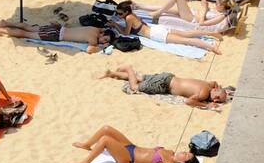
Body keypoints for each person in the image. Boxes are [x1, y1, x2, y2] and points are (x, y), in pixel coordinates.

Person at [70, 125, 200, 163]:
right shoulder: (171, 152)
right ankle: (87, 144)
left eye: (186, 155)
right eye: (187, 152)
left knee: (105, 140)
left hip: (129, 159)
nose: (184, 151)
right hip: (132, 147)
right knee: (106, 129)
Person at [110, 1, 221, 52]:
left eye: (120, 13)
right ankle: (210, 33)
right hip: (157, 29)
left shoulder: (129, 18)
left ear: (126, 12)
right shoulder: (132, 15)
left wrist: (115, 24)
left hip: (155, 34)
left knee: (186, 40)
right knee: (185, 34)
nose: (118, 15)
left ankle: (211, 47)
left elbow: (126, 33)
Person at [99, 65, 232, 105]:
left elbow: (215, 82)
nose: (215, 100)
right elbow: (189, 102)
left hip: (169, 76)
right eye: (217, 97)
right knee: (135, 87)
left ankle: (111, 74)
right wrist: (206, 105)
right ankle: (128, 69)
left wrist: (219, 88)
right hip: (164, 84)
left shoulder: (209, 85)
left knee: (139, 78)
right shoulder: (203, 94)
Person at [0, 18, 114, 53]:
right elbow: (89, 49)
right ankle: (2, 31)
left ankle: (6, 23)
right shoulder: (93, 39)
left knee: (29, 27)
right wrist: (101, 47)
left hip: (57, 28)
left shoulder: (96, 29)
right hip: (55, 35)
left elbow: (107, 28)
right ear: (103, 34)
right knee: (26, 34)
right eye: (104, 39)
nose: (103, 41)